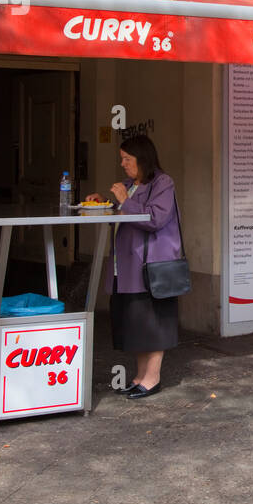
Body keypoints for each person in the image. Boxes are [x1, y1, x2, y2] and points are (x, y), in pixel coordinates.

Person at [90, 134, 182, 399]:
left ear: (142, 158)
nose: (123, 164)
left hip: (150, 267)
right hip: (126, 266)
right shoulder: (130, 185)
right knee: (136, 323)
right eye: (122, 159)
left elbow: (154, 218)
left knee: (153, 322)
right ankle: (140, 376)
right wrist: (103, 204)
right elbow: (124, 214)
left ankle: (153, 378)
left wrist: (124, 201)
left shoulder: (163, 183)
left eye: (127, 159)